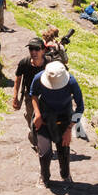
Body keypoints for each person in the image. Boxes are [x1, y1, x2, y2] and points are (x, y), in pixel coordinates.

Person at [30, 60, 84, 188]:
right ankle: (44, 176)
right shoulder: (38, 78)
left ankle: (65, 175)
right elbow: (33, 95)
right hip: (44, 117)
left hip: (64, 118)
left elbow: (80, 107)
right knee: (45, 151)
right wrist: (37, 113)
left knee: (63, 150)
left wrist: (69, 129)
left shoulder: (72, 82)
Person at [14, 37, 48, 148]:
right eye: (31, 49)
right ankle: (34, 138)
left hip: (46, 96)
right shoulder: (24, 63)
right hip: (29, 96)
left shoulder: (49, 63)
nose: (33, 52)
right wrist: (15, 97)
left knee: (45, 120)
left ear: (43, 50)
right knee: (32, 120)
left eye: (36, 49)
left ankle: (41, 143)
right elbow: (18, 79)